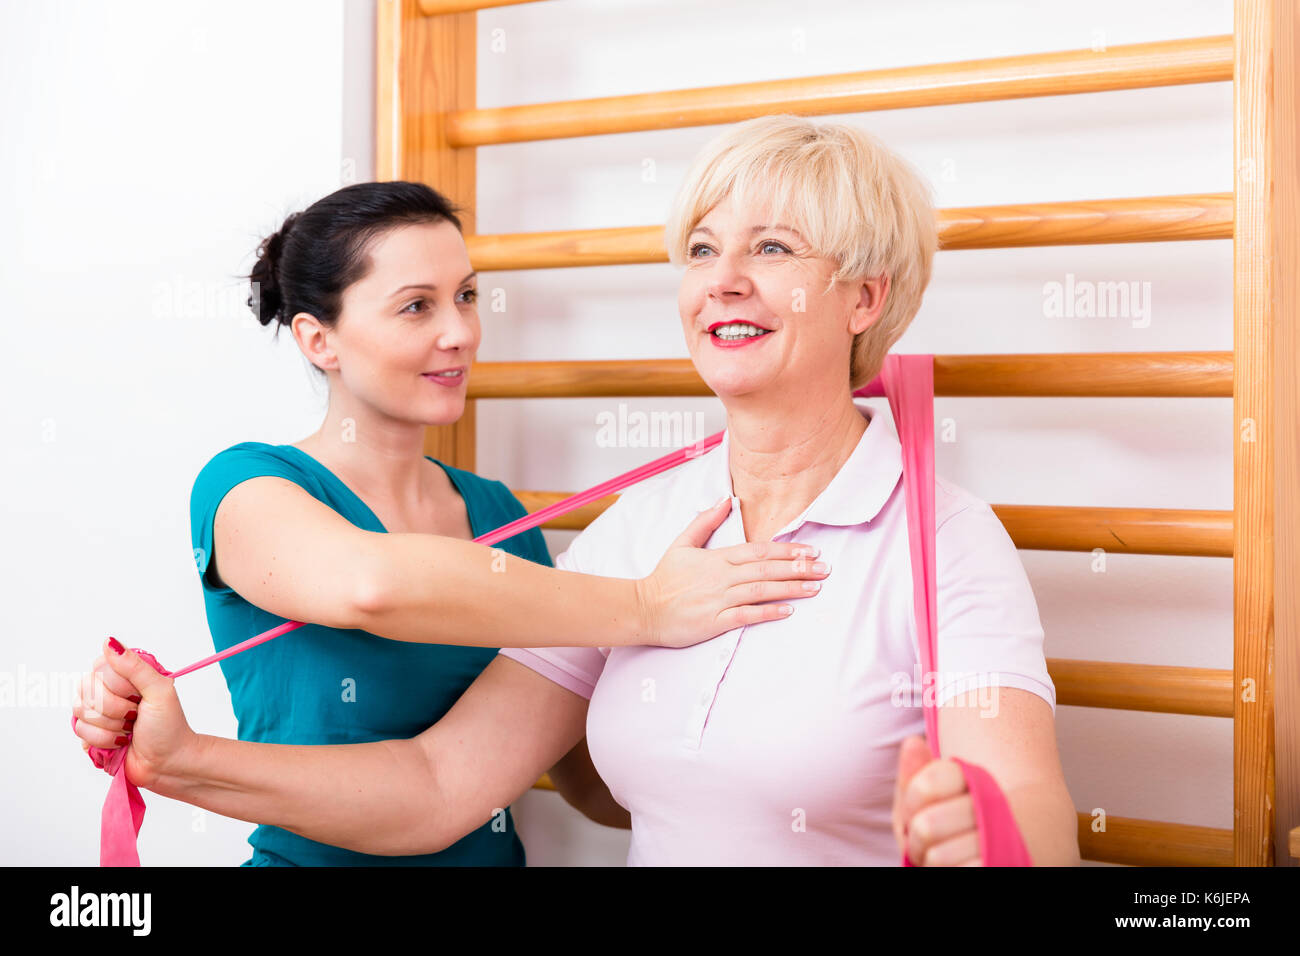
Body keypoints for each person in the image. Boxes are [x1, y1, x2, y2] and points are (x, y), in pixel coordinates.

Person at [75, 115, 1079, 865]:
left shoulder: (944, 536)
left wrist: (989, 835)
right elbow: (437, 784)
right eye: (701, 249)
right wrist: (185, 759)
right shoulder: (634, 531)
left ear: (865, 296)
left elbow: (1031, 809)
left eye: (770, 247)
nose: (721, 278)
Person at [72, 179, 830, 866]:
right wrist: (647, 609)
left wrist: (774, 764)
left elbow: (580, 780)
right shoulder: (247, 487)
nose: (461, 332)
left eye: (466, 296)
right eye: (416, 306)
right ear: (318, 339)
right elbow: (372, 584)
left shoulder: (498, 515)